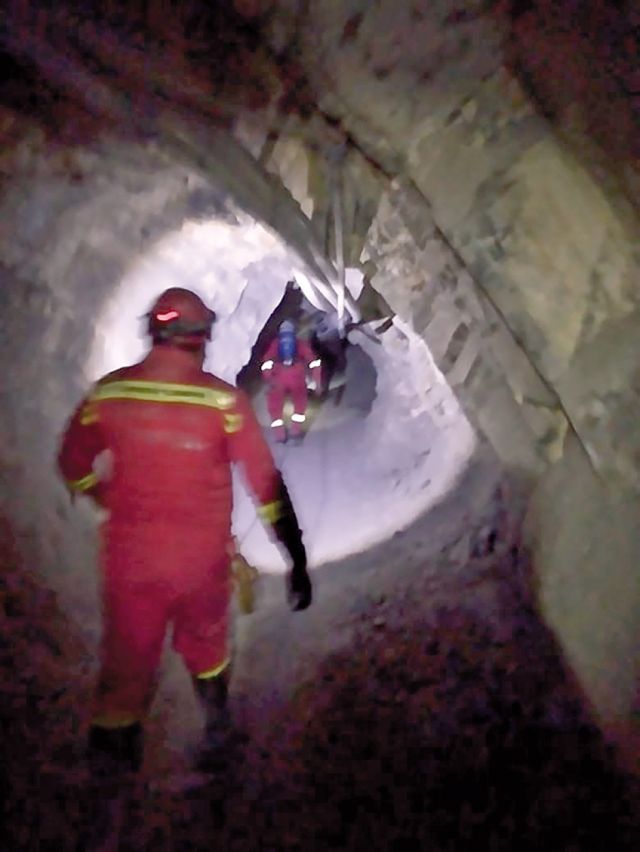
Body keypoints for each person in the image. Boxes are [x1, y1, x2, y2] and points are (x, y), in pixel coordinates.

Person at [57, 287, 312, 783]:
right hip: (200, 565)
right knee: (205, 646)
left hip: (129, 561)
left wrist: (107, 499)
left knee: (127, 657)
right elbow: (266, 487)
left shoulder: (109, 393)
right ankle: (216, 733)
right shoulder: (223, 402)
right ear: (201, 339)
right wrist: (295, 557)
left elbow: (72, 464)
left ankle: (112, 772)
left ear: (153, 332)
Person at [260, 318, 322, 443]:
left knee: (274, 405)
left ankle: (280, 435)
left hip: (278, 378)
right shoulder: (300, 343)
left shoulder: (276, 343)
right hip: (297, 377)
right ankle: (295, 431)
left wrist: (269, 379)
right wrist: (317, 383)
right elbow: (314, 363)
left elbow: (266, 362)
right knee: (300, 403)